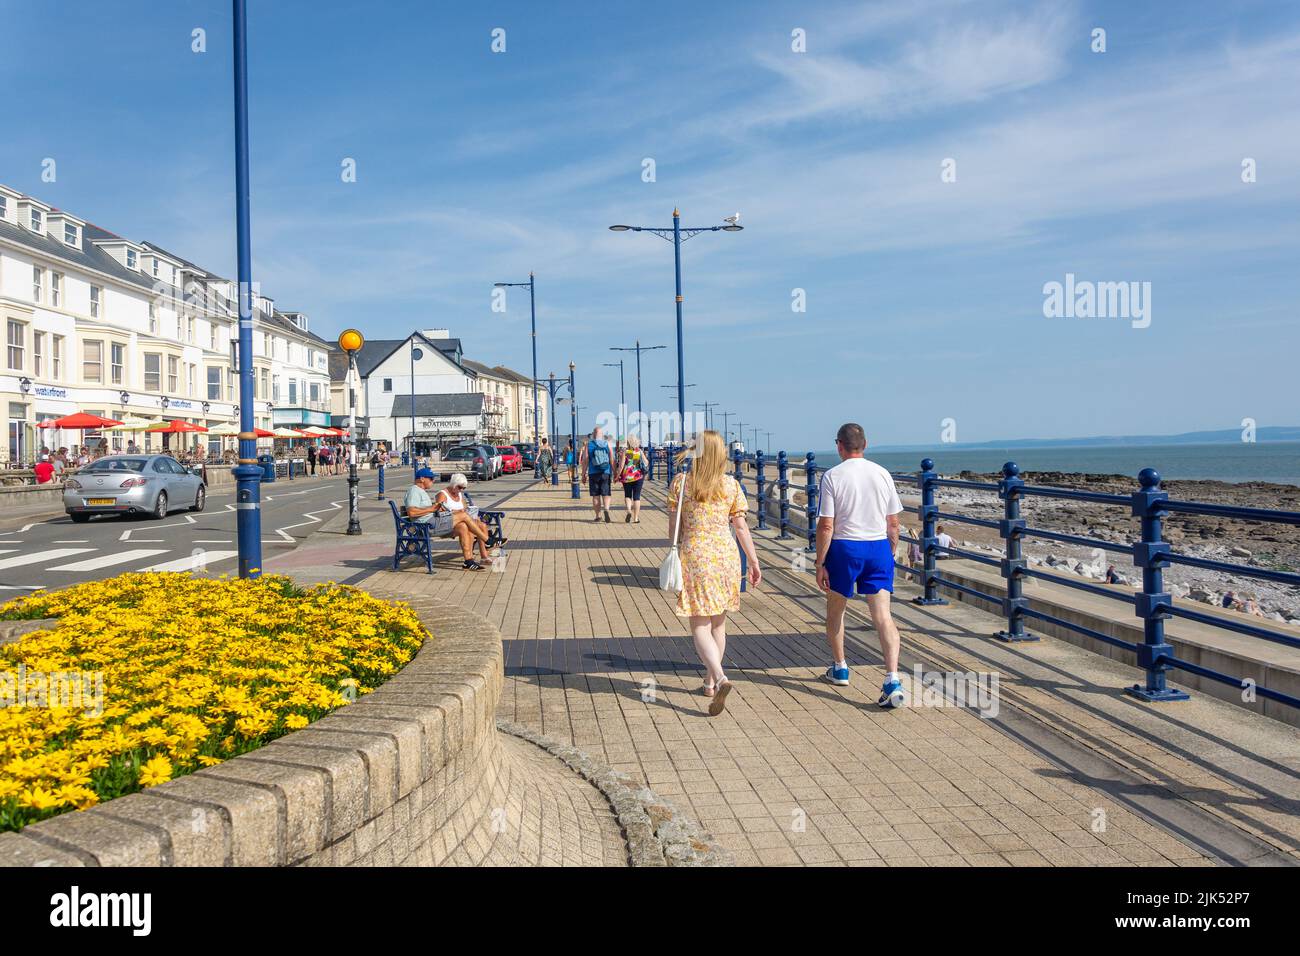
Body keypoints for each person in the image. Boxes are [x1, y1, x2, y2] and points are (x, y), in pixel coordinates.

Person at [668, 430, 761, 717]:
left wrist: (674, 549)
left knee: (699, 625)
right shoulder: (731, 486)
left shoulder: (682, 483)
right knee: (719, 625)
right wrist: (754, 561)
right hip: (726, 556)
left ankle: (719, 678)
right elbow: (741, 527)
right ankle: (709, 683)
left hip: (696, 557)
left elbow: (674, 529)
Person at [815, 422, 907, 709]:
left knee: (835, 611)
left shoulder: (832, 476)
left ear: (839, 445)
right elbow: (893, 524)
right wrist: (889, 551)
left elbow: (826, 525)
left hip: (845, 548)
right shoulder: (882, 474)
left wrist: (820, 562)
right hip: (878, 546)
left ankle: (840, 666)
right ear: (865, 445)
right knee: (883, 617)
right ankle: (892, 678)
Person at [433, 473, 499, 571]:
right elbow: (439, 511)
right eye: (460, 487)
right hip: (448, 524)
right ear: (454, 485)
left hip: (462, 521)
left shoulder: (459, 494)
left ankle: (484, 556)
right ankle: (484, 545)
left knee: (481, 525)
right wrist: (458, 512)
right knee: (466, 527)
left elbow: (465, 508)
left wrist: (470, 513)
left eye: (464, 488)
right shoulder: (442, 494)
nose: (462, 490)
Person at [580, 426, 614, 522]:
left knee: (596, 496)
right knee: (606, 493)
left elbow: (585, 460)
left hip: (593, 473)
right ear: (602, 435)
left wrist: (583, 474)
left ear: (593, 435)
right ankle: (606, 509)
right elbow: (612, 459)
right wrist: (615, 472)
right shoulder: (608, 444)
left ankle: (598, 516)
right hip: (605, 472)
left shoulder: (589, 445)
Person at [616, 434, 648, 523]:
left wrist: (617, 475)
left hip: (627, 476)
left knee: (627, 495)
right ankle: (636, 518)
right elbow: (646, 462)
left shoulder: (625, 452)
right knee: (637, 497)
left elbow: (621, 466)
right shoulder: (639, 451)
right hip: (638, 476)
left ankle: (629, 510)